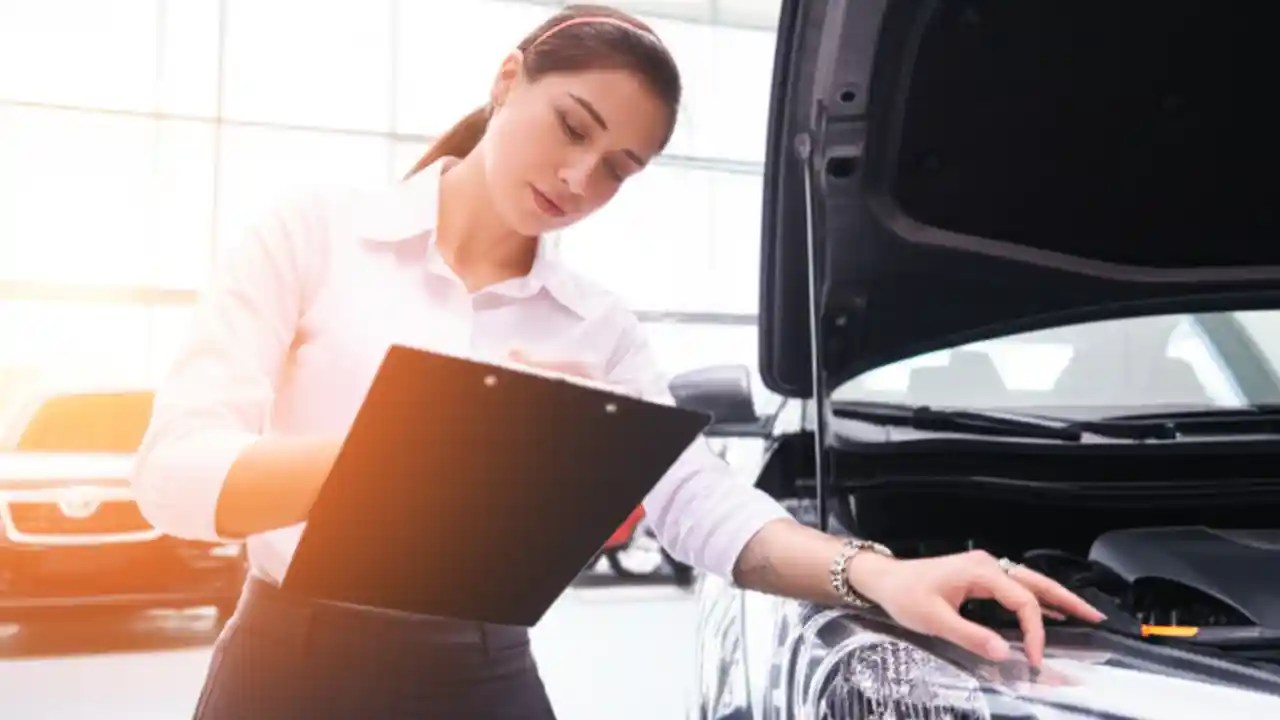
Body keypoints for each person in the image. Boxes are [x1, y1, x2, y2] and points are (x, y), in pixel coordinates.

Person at [129, 5, 1105, 719]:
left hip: (479, 670)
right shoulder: (312, 235)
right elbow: (174, 479)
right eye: (571, 128)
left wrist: (878, 574)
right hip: (285, 665)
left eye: (617, 171)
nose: (576, 180)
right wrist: (404, 449)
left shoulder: (596, 329)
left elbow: (702, 510)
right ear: (507, 78)